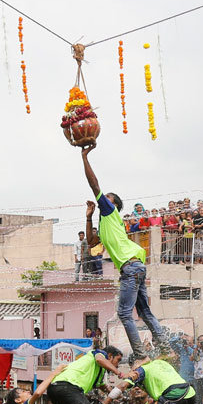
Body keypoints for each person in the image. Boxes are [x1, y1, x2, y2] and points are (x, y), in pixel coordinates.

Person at [81, 143, 168, 357]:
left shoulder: (110, 212)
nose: (104, 198)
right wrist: (89, 216)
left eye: (108, 197)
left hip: (130, 269)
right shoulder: (106, 224)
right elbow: (91, 242)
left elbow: (94, 185)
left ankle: (140, 355)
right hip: (135, 267)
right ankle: (166, 348)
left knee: (124, 313)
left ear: (113, 204)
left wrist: (85, 157)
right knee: (144, 312)